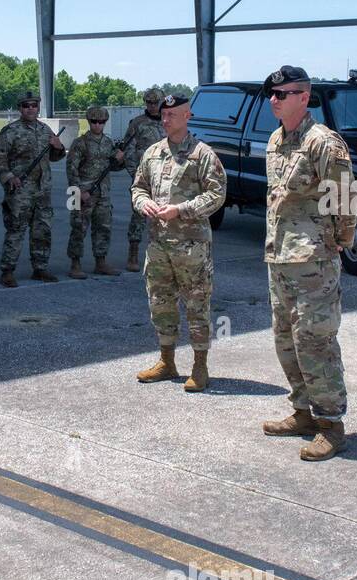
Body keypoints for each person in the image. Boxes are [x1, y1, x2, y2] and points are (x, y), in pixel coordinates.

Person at [259, 65, 356, 461]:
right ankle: (303, 412)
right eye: (272, 93)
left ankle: (331, 424)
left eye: (283, 93)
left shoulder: (324, 143)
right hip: (280, 256)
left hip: (314, 260)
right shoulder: (275, 141)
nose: (274, 100)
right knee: (286, 339)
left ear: (304, 96)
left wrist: (340, 243)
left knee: (315, 340)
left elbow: (346, 198)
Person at [130, 95, 226, 393]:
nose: (166, 119)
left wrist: (181, 210)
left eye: (173, 114)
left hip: (191, 247)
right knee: (161, 303)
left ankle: (200, 366)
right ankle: (166, 360)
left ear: (188, 115)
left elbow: (217, 194)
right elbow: (138, 186)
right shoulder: (153, 153)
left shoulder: (203, 154)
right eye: (164, 114)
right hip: (159, 244)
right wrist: (143, 203)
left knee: (197, 305)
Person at [0, 90, 64, 287]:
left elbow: (55, 157)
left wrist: (58, 146)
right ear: (20, 108)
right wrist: (9, 177)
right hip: (20, 190)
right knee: (16, 230)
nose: (31, 109)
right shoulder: (10, 131)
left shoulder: (44, 130)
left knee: (42, 230)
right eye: (26, 105)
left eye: (34, 105)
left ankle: (40, 268)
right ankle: (7, 270)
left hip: (43, 189)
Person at [65, 105, 125, 279]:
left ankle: (101, 262)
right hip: (80, 193)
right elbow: (71, 169)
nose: (98, 125)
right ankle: (75, 264)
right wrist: (79, 191)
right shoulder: (80, 143)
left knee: (103, 227)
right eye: (94, 122)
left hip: (103, 193)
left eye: (101, 122)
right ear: (89, 121)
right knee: (78, 228)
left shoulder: (108, 142)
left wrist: (120, 159)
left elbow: (114, 167)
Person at [122, 87, 167, 272]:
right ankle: (133, 255)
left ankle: (162, 256)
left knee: (164, 218)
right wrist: (135, 175)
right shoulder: (137, 124)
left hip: (166, 178)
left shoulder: (168, 122)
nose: (152, 106)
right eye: (149, 103)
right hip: (143, 178)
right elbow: (129, 150)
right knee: (138, 217)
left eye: (156, 103)